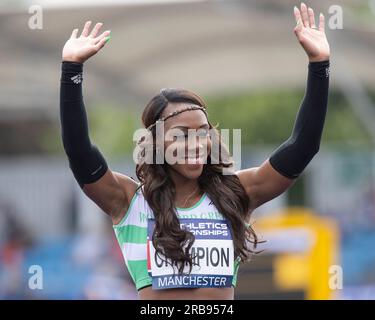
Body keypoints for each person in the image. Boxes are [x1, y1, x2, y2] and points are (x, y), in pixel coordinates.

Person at [59, 3, 330, 300]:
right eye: (181, 136)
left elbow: (303, 146)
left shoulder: (236, 194)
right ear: (156, 143)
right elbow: (79, 151)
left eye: (203, 133)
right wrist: (72, 69)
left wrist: (319, 65)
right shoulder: (129, 201)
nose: (196, 144)